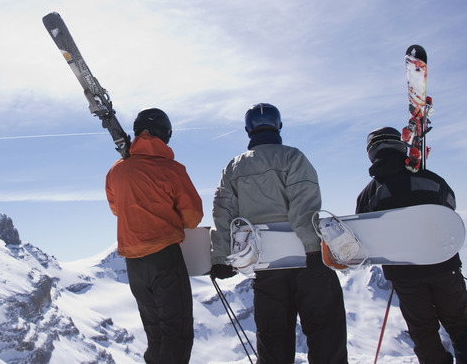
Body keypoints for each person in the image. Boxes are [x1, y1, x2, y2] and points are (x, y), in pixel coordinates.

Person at [210, 103, 348, 363]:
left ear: (247, 130)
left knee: (273, 340)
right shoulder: (294, 157)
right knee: (326, 334)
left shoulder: (234, 168)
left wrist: (220, 258)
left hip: (267, 267)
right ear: (279, 126)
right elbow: (303, 208)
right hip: (309, 263)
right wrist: (312, 251)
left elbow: (223, 213)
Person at [356, 127, 467, 364]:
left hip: (404, 274)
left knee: (423, 332)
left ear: (372, 153)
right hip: (443, 265)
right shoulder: (430, 179)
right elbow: (450, 209)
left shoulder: (368, 195)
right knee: (461, 327)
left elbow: (366, 235)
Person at [105, 108, 204, 364]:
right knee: (177, 333)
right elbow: (193, 217)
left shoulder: (117, 171)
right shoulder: (172, 170)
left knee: (155, 334)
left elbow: (118, 209)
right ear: (165, 135)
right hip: (164, 258)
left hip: (134, 263)